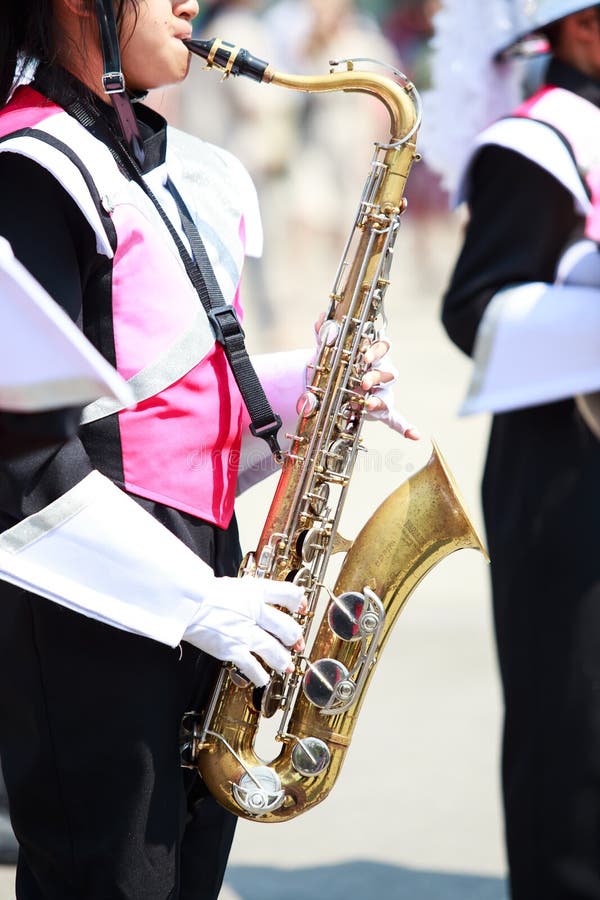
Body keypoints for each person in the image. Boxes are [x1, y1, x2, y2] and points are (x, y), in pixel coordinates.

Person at [0, 2, 416, 897]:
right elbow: (19, 456)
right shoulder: (29, 171)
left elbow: (156, 390)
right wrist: (188, 598)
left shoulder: (168, 161)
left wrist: (316, 385)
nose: (193, 3)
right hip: (94, 603)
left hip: (200, 582)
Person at [425, 1, 600, 897]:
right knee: (572, 726)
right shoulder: (538, 142)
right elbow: (473, 305)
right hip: (566, 475)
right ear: (583, 30)